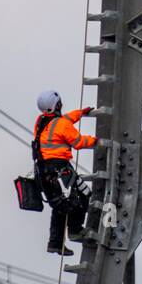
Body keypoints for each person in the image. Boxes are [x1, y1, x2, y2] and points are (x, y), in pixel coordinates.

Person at [33, 91, 96, 257]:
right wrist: (97, 141)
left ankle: (55, 243)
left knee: (59, 205)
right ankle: (75, 230)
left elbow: (64, 121)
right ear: (57, 105)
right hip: (59, 170)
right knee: (83, 195)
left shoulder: (42, 121)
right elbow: (79, 142)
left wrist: (80, 113)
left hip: (43, 172)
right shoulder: (60, 125)